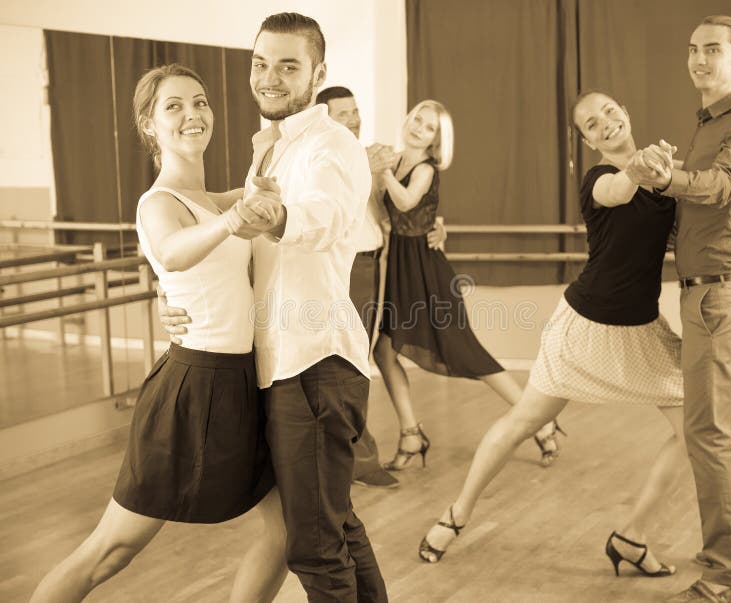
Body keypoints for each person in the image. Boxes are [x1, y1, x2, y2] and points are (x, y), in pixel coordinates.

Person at [30, 64, 288, 603]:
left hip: (240, 384)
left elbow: (255, 204)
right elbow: (169, 252)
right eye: (174, 106)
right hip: (193, 389)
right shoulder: (159, 202)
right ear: (149, 125)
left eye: (200, 101)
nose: (193, 114)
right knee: (110, 551)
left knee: (288, 534)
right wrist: (231, 222)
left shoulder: (212, 199)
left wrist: (262, 174)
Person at [159, 14, 387, 603]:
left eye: (289, 66)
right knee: (336, 526)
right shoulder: (274, 148)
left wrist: (279, 215)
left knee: (314, 547)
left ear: (318, 74)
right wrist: (175, 294)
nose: (270, 78)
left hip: (312, 366)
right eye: (261, 64)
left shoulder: (330, 146)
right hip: (288, 364)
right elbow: (233, 251)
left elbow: (324, 217)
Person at [418, 91, 689, 580]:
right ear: (587, 141)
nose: (605, 123)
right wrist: (641, 168)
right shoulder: (599, 180)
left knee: (696, 431)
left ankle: (632, 536)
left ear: (625, 112)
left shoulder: (664, 175)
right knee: (523, 421)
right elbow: (619, 190)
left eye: (610, 112)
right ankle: (455, 515)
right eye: (591, 124)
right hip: (585, 327)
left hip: (641, 331)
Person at [633, 15, 731, 603]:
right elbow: (705, 209)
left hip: (717, 299)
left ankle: (723, 576)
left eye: (713, 49)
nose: (698, 59)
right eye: (693, 49)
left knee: (706, 433)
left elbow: (717, 187)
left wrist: (666, 178)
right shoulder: (709, 125)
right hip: (716, 293)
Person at [373, 99, 563, 471]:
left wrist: (382, 175)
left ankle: (538, 421)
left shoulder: (424, 168)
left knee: (468, 355)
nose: (419, 128)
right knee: (384, 351)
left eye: (429, 127)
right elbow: (389, 211)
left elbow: (407, 201)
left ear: (436, 140)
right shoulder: (392, 162)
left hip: (428, 273)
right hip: (402, 270)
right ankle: (411, 433)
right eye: (417, 119)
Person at [315, 85, 448, 488]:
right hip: (350, 267)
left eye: (355, 111)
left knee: (364, 358)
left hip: (374, 264)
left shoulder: (366, 156)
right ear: (324, 120)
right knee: (351, 363)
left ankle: (366, 452)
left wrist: (438, 226)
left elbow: (394, 209)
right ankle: (359, 459)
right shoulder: (324, 161)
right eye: (343, 113)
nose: (354, 119)